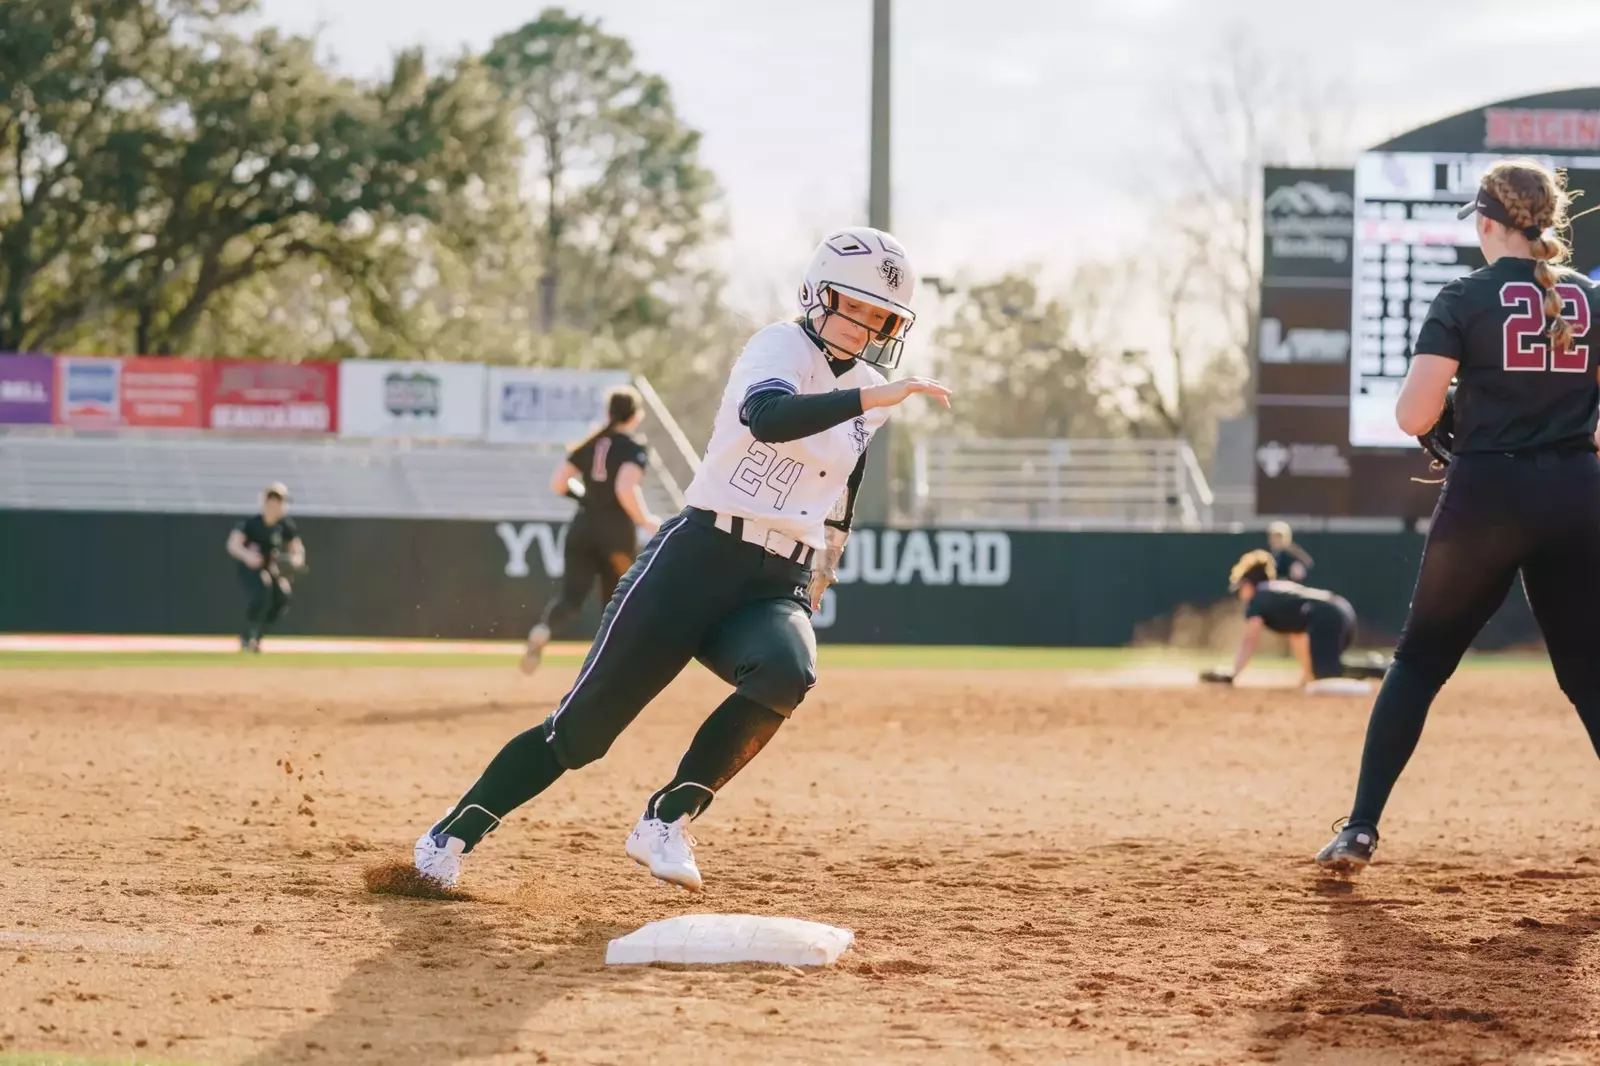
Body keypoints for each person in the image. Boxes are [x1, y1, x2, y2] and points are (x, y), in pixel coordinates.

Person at [415, 226, 952, 892]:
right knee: (580, 736)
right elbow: (770, 417)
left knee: (788, 671)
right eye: (859, 306)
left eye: (883, 316)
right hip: (698, 556)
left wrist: (825, 561)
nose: (869, 325)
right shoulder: (780, 344)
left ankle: (666, 818)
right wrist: (874, 397)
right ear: (818, 293)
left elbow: (842, 489)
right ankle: (449, 836)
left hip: (775, 577)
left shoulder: (871, 391)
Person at [1317, 159, 1600, 874]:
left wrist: (1451, 412)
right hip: (1576, 495)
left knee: (1417, 663)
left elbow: (1415, 411)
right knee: (1591, 673)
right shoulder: (1590, 300)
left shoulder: (1463, 297)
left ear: (1487, 223)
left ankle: (1359, 829)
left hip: (1487, 498)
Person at [520, 386, 661, 674]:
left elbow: (559, 483)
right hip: (616, 533)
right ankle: (608, 668)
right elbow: (625, 488)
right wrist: (645, 520)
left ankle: (543, 630)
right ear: (634, 416)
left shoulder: (590, 443)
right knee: (617, 601)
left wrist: (585, 498)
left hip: (582, 527)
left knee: (571, 598)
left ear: (609, 413)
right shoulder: (633, 448)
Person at [1204, 550, 1386, 689]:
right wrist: (1307, 676)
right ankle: (1376, 665)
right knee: (1323, 671)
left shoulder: (1259, 598)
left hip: (1328, 617)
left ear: (1248, 584)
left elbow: (1249, 641)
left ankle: (1381, 669)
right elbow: (1297, 635)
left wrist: (1233, 674)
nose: (1240, 594)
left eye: (1240, 588)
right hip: (1339, 610)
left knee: (1328, 673)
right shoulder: (1275, 591)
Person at [225, 482, 305, 653]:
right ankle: (247, 636)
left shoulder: (284, 525)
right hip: (251, 568)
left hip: (271, 568)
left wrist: (295, 560)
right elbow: (233, 544)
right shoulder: (252, 523)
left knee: (282, 597)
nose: (282, 505)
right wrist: (247, 556)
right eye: (278, 501)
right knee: (263, 591)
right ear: (269, 502)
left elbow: (297, 548)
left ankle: (258, 637)